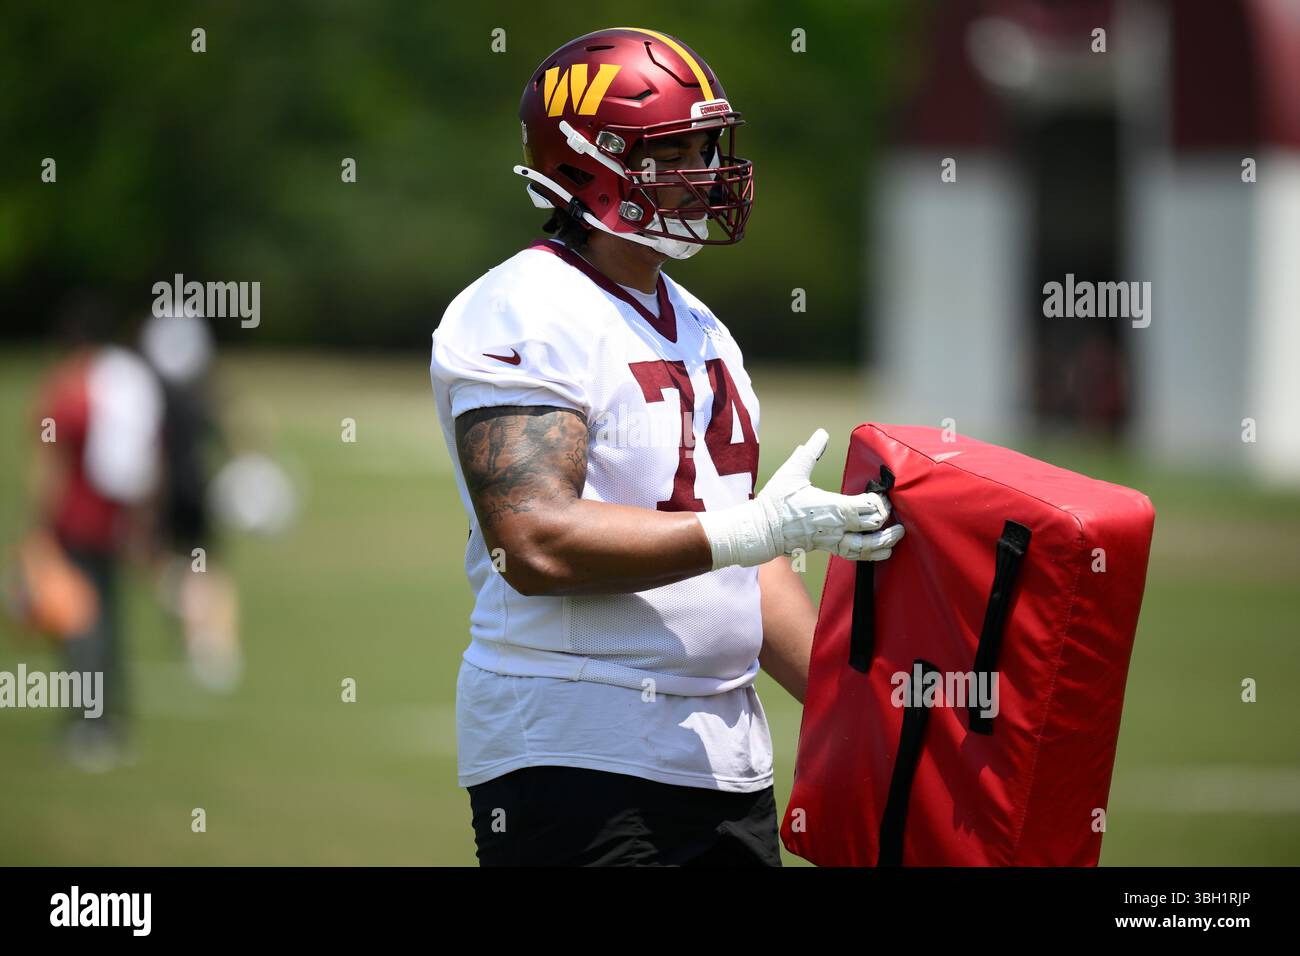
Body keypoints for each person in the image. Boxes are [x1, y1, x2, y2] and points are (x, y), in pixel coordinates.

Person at [428, 27, 905, 866]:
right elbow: (533, 541)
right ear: (588, 162)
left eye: (706, 148)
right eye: (671, 153)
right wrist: (752, 531)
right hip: (575, 746)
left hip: (724, 758)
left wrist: (869, 713)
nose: (704, 173)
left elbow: (745, 558)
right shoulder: (524, 307)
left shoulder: (702, 325)